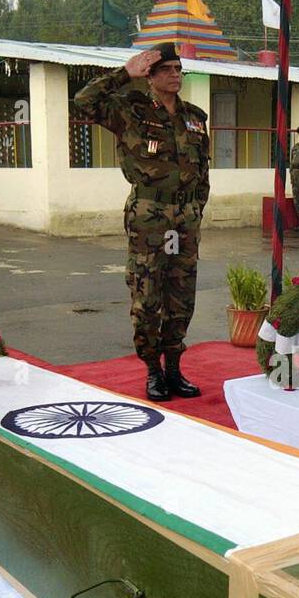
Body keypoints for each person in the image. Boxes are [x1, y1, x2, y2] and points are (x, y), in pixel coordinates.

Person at [73, 42, 209, 402]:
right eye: (167, 70)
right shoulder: (130, 110)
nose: (175, 75)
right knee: (148, 294)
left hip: (185, 219)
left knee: (181, 294)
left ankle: (175, 368)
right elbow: (83, 102)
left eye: (179, 69)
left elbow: (203, 171)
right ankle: (153, 370)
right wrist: (123, 73)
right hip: (149, 215)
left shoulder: (194, 117)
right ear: (150, 76)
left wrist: (196, 209)